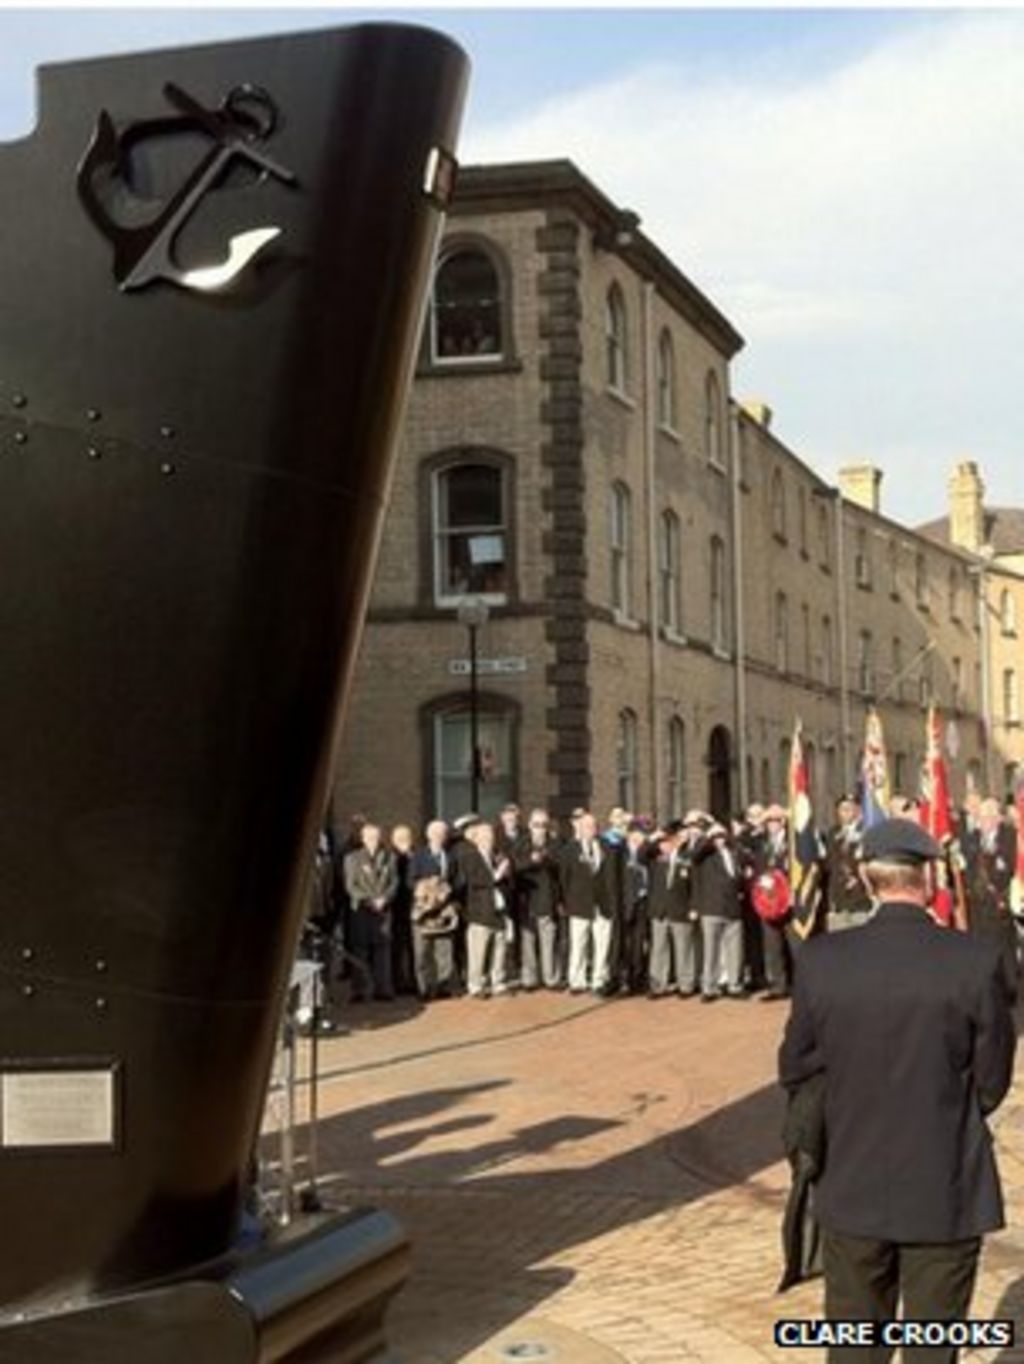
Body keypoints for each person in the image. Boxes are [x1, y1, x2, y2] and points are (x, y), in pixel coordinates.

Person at [779, 817, 1016, 1362]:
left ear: (865, 878)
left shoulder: (822, 960)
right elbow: (992, 1080)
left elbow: (795, 1067)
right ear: (928, 879)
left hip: (852, 1182)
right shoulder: (974, 960)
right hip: (945, 1183)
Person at [558, 810, 623, 995]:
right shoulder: (569, 850)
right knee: (578, 944)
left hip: (603, 905)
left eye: (593, 826)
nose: (590, 829)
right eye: (587, 826)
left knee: (602, 945)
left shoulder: (607, 848)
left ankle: (598, 980)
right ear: (579, 827)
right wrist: (564, 901)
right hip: (578, 904)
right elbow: (564, 878)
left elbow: (613, 877)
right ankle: (577, 981)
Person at [962, 796, 1019, 988]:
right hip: (977, 905)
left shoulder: (1010, 836)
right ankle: (987, 986)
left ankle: (1010, 988)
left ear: (997, 817)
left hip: (999, 902)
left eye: (988, 815)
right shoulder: (972, 837)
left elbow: (1010, 867)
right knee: (981, 947)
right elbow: (967, 867)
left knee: (1004, 947)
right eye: (980, 815)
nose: (983, 820)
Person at [455, 819, 513, 998]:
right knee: (478, 951)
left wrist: (507, 873)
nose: (489, 839)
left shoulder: (497, 856)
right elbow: (475, 881)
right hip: (480, 911)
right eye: (485, 835)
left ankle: (498, 983)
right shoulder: (470, 857)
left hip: (499, 910)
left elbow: (507, 882)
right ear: (477, 838)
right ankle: (476, 986)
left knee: (499, 949)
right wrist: (497, 874)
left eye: (491, 835)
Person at [690, 821, 746, 1001]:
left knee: (733, 949)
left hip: (733, 908)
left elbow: (741, 873)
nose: (720, 840)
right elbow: (694, 855)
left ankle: (733, 985)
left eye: (722, 836)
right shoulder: (706, 855)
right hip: (711, 907)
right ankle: (709, 987)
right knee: (711, 950)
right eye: (717, 837)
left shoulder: (733, 853)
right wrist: (709, 837)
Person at [343, 822, 398, 1002]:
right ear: (363, 838)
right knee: (360, 951)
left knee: (383, 952)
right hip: (362, 912)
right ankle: (359, 990)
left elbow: (394, 882)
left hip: (383, 911)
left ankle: (383, 989)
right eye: (370, 837)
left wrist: (385, 899)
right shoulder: (352, 858)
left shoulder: (390, 857)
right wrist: (369, 900)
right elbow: (351, 886)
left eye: (376, 837)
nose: (373, 840)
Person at [647, 819, 699, 997]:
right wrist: (657, 839)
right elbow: (640, 854)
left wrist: (694, 907)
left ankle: (686, 985)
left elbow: (695, 885)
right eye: (677, 836)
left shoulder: (688, 856)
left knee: (683, 948)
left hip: (681, 908)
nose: (679, 839)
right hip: (659, 909)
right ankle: (657, 985)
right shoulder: (657, 855)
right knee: (659, 948)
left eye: (682, 836)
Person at [513, 807, 564, 990]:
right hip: (526, 899)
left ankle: (550, 978)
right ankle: (529, 979)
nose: (540, 829)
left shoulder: (555, 843)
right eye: (536, 825)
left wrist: (546, 858)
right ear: (529, 825)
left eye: (543, 825)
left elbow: (560, 869)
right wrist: (531, 861)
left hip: (547, 897)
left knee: (548, 940)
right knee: (528, 940)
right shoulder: (521, 843)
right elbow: (515, 868)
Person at [409, 819, 459, 1000]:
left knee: (443, 950)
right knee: (422, 952)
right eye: (436, 834)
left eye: (443, 834)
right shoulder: (418, 856)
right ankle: (424, 988)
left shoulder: (450, 856)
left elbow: (456, 880)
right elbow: (410, 880)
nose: (439, 837)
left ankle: (442, 986)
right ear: (428, 835)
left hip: (444, 910)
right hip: (423, 910)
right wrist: (428, 889)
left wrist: (448, 892)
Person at [755, 805, 793, 999]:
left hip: (789, 900)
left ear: (783, 822)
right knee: (772, 945)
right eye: (769, 821)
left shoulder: (792, 842)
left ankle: (800, 984)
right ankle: (777, 985)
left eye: (776, 820)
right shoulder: (763, 844)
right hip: (769, 902)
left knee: (794, 944)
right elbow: (758, 870)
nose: (772, 824)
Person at [824, 795, 873, 932]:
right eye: (842, 809)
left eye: (849, 809)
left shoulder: (866, 833)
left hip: (860, 897)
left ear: (857, 810)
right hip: (838, 898)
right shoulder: (832, 833)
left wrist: (858, 878)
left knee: (860, 941)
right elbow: (829, 864)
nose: (846, 812)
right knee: (839, 943)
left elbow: (870, 861)